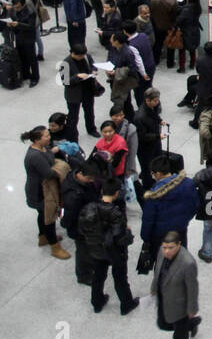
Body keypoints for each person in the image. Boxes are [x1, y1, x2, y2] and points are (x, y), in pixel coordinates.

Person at [78, 177, 140, 315]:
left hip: (96, 250)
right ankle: (126, 304)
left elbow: (82, 230)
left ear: (102, 190)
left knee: (98, 276)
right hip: (115, 252)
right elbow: (122, 238)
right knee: (120, 278)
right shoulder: (116, 213)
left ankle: (97, 302)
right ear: (117, 193)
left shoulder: (89, 209)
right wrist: (128, 232)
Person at [151, 230, 200, 339]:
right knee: (163, 324)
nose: (166, 251)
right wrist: (154, 288)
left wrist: (192, 309)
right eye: (165, 247)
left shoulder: (187, 263)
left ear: (179, 245)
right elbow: (157, 271)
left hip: (180, 305)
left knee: (180, 335)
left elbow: (193, 288)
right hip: (165, 299)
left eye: (170, 248)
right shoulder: (161, 251)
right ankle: (192, 324)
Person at [22, 127, 71, 260]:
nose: (49, 137)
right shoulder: (35, 155)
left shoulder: (43, 148)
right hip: (40, 192)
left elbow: (49, 156)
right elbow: (48, 173)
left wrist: (52, 152)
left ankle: (43, 237)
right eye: (46, 136)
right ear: (37, 140)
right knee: (48, 218)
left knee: (43, 214)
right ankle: (55, 246)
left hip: (44, 189)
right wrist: (62, 168)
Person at [141, 155, 201, 250]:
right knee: (180, 257)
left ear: (158, 174)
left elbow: (148, 220)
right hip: (180, 230)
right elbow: (195, 205)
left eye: (152, 173)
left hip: (160, 236)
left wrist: (145, 238)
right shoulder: (188, 184)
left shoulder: (154, 195)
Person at [62, 42, 102, 140]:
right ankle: (72, 136)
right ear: (73, 53)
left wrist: (94, 70)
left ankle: (91, 129)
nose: (82, 57)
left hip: (88, 90)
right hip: (74, 93)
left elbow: (93, 65)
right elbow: (65, 81)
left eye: (83, 55)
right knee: (73, 116)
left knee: (89, 111)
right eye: (80, 56)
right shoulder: (65, 63)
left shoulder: (87, 56)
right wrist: (77, 77)